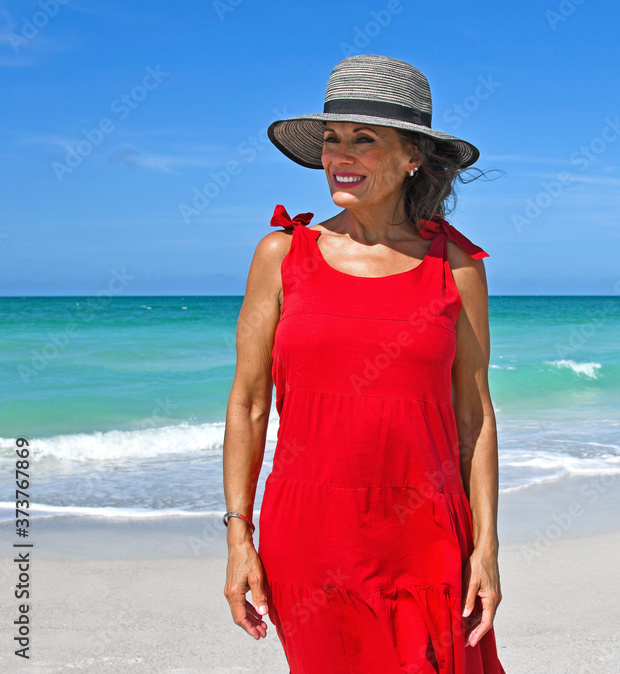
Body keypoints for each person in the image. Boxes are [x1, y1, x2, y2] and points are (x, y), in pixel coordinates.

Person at [221, 54, 506, 673]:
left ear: (412, 157)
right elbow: (247, 403)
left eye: (363, 140)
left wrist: (486, 544)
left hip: (426, 535)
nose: (339, 156)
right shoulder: (281, 255)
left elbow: (474, 416)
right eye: (331, 140)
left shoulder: (457, 267)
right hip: (309, 536)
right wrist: (238, 534)